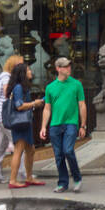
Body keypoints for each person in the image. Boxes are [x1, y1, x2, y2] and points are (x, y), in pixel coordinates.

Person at [41, 56, 87, 193]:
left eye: (69, 66)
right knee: (58, 154)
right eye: (65, 66)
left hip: (71, 123)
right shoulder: (50, 88)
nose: (69, 69)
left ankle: (77, 178)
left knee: (68, 150)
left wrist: (83, 125)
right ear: (58, 69)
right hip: (55, 124)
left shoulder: (77, 85)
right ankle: (63, 183)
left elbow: (82, 105)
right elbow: (47, 108)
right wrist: (43, 126)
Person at [6, 63, 45, 189]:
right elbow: (19, 105)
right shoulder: (18, 88)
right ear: (23, 73)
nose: (30, 71)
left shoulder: (22, 87)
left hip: (25, 122)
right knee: (19, 149)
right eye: (28, 70)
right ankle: (13, 180)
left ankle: (29, 177)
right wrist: (34, 103)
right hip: (20, 123)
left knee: (31, 150)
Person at [0, 55, 22, 184]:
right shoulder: (7, 78)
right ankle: (23, 173)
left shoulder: (2, 76)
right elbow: (7, 92)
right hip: (5, 116)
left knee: (0, 146)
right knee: (19, 144)